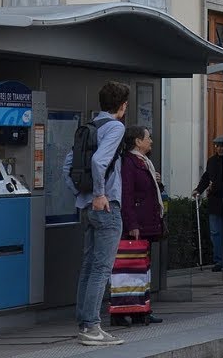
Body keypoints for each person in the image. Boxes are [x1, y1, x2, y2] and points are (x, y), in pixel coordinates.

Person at [62, 81, 129, 346]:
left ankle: (85, 323)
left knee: (89, 266)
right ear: (122, 106)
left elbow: (67, 165)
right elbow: (99, 161)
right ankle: (92, 327)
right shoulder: (115, 127)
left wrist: (83, 196)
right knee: (102, 268)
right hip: (107, 206)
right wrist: (100, 194)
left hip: (87, 207)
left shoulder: (89, 126)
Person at [111, 125, 166, 326]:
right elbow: (127, 195)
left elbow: (147, 191)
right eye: (148, 137)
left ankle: (142, 309)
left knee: (143, 268)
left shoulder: (145, 163)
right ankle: (125, 311)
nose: (151, 141)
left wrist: (157, 181)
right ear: (137, 141)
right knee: (130, 270)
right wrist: (132, 223)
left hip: (147, 222)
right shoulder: (130, 163)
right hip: (137, 225)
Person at [193, 137, 223, 272]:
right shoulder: (211, 161)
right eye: (217, 146)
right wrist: (198, 189)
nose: (219, 148)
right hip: (215, 201)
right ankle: (219, 260)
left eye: (222, 145)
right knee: (215, 232)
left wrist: (213, 187)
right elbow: (206, 177)